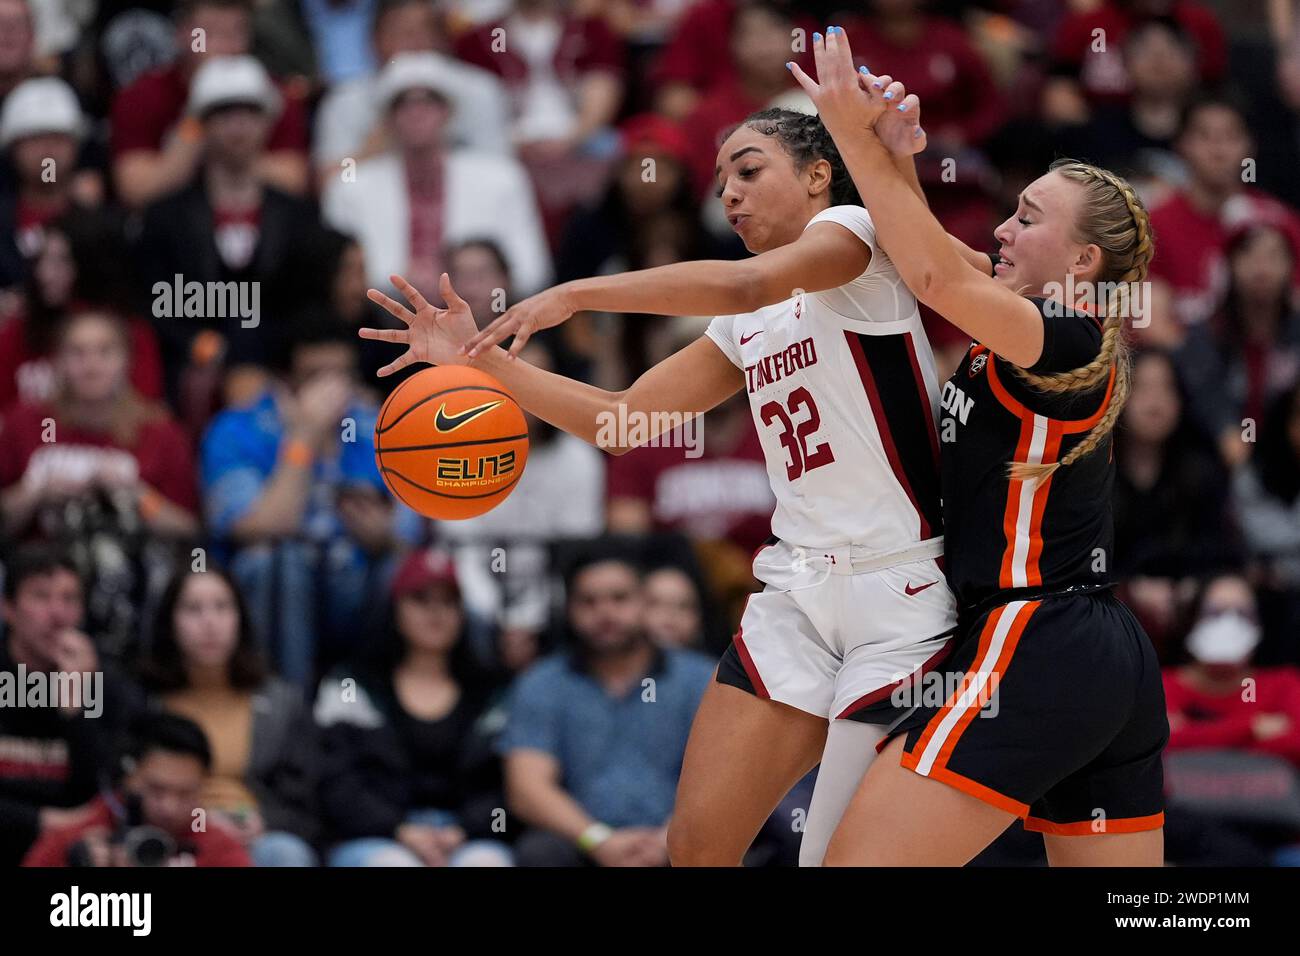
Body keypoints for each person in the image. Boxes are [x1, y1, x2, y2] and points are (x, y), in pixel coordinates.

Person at [363, 103, 966, 867]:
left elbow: (746, 282)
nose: (729, 195)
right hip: (797, 593)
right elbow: (622, 422)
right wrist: (480, 363)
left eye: (749, 171)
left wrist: (575, 293)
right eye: (720, 184)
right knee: (697, 851)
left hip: (900, 595)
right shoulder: (745, 325)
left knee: (833, 861)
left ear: (818, 176)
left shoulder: (858, 236)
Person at [788, 26, 1168, 865]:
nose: (1002, 227)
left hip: (1029, 639)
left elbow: (934, 281)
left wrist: (848, 132)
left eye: (1027, 217)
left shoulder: (1063, 336)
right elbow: (924, 246)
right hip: (1097, 653)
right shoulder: (1031, 319)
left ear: (1082, 258)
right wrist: (892, 155)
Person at [200, 318, 421, 686]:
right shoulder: (236, 430)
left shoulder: (379, 426)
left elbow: (410, 534)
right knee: (276, 560)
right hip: (274, 592)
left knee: (401, 568)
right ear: (285, 381)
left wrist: (383, 536)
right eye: (316, 376)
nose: (332, 391)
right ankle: (286, 704)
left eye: (342, 376)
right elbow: (256, 527)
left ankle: (371, 704)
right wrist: (304, 436)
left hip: (355, 585)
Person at [0, 307, 200, 655]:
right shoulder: (26, 422)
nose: (91, 365)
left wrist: (136, 495)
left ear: (126, 360)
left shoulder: (158, 430)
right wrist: (37, 492)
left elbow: (187, 527)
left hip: (129, 572)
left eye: (104, 352)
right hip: (38, 569)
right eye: (77, 353)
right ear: (58, 361)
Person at [496, 547, 713, 866]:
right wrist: (597, 839)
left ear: (645, 603)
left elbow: (726, 775)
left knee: (723, 844)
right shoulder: (543, 682)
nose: (605, 613)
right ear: (569, 610)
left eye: (619, 598)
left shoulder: (701, 679)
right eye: (589, 601)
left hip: (680, 838)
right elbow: (527, 787)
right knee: (539, 852)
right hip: (583, 840)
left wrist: (671, 837)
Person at [314, 549, 512, 866]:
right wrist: (397, 830)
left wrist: (465, 830)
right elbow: (335, 782)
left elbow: (509, 786)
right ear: (394, 609)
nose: (436, 613)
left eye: (448, 602)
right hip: (374, 838)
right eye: (421, 600)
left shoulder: (493, 691)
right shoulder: (350, 686)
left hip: (470, 838)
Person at [322, 52, 551, 300]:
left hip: (483, 324)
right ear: (387, 119)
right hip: (379, 325)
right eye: (403, 103)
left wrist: (465, 286)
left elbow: (532, 272)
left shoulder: (504, 179)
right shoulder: (349, 187)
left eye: (429, 101)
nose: (416, 112)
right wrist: (402, 283)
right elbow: (336, 279)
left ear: (449, 111)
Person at [140, 566, 321, 866]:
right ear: (169, 622)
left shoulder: (280, 702)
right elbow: (126, 789)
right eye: (193, 609)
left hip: (254, 837)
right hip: (171, 836)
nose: (210, 623)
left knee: (287, 853)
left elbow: (305, 800)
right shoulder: (145, 699)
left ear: (240, 618)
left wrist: (265, 821)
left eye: (222, 607)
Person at [0, 545, 142, 866]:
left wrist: (76, 706)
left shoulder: (107, 685)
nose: (57, 613)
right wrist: (39, 819)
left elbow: (109, 791)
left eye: (69, 599)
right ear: (8, 609)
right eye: (41, 597)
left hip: (78, 851)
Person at [109, 0, 309, 207]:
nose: (227, 47)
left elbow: (292, 183)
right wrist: (196, 119)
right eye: (209, 35)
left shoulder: (275, 95)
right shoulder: (142, 97)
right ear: (181, 35)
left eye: (237, 32)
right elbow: (136, 191)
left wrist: (228, 155)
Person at [23, 712, 252, 867]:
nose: (169, 807)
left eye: (186, 793)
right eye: (156, 790)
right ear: (126, 777)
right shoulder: (75, 839)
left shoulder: (217, 848)